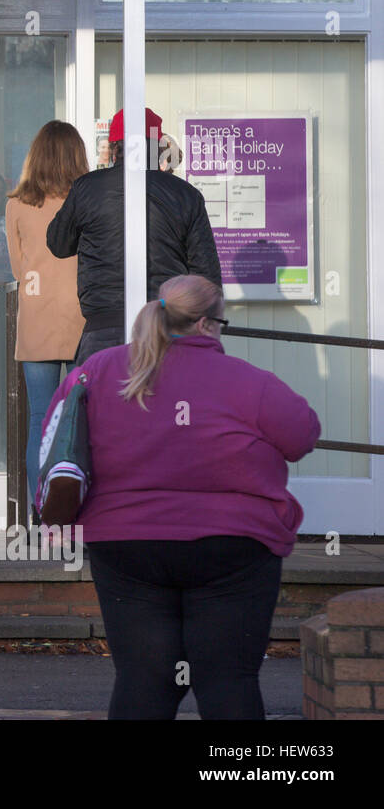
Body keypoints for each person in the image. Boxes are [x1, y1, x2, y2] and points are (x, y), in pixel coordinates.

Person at [43, 275, 320, 719]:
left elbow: (55, 438)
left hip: (127, 545)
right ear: (209, 324)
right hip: (233, 545)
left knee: (144, 678)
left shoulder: (97, 369)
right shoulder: (249, 381)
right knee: (227, 679)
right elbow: (302, 436)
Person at [46, 107, 221, 364]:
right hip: (166, 326)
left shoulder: (87, 188)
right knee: (164, 403)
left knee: (100, 404)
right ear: (157, 145)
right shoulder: (185, 194)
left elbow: (58, 244)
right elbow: (207, 275)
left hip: (103, 328)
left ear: (115, 145)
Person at [5, 121, 87, 511]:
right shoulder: (86, 201)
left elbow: (19, 270)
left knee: (41, 417)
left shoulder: (17, 204)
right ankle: (77, 507)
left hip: (36, 319)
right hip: (82, 320)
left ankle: (42, 510)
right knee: (77, 420)